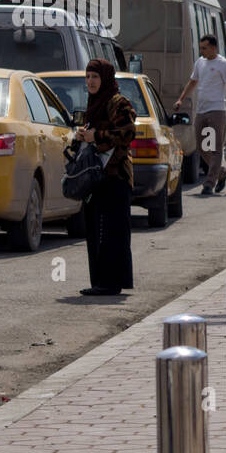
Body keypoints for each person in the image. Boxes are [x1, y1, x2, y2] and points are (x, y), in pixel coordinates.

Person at [77, 59, 136, 296]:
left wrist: (96, 136)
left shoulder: (118, 102)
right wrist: (83, 136)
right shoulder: (94, 102)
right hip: (97, 178)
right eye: (88, 77)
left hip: (116, 176)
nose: (91, 82)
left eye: (95, 77)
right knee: (95, 230)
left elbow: (128, 132)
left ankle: (111, 283)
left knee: (113, 232)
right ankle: (100, 281)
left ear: (106, 79)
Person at [174, 34, 226, 195]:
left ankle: (209, 183)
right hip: (201, 110)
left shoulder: (223, 64)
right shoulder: (200, 63)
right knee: (202, 146)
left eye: (204, 48)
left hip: (217, 110)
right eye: (201, 47)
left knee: (215, 148)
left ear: (213, 48)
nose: (201, 51)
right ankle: (221, 173)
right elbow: (193, 82)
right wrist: (181, 99)